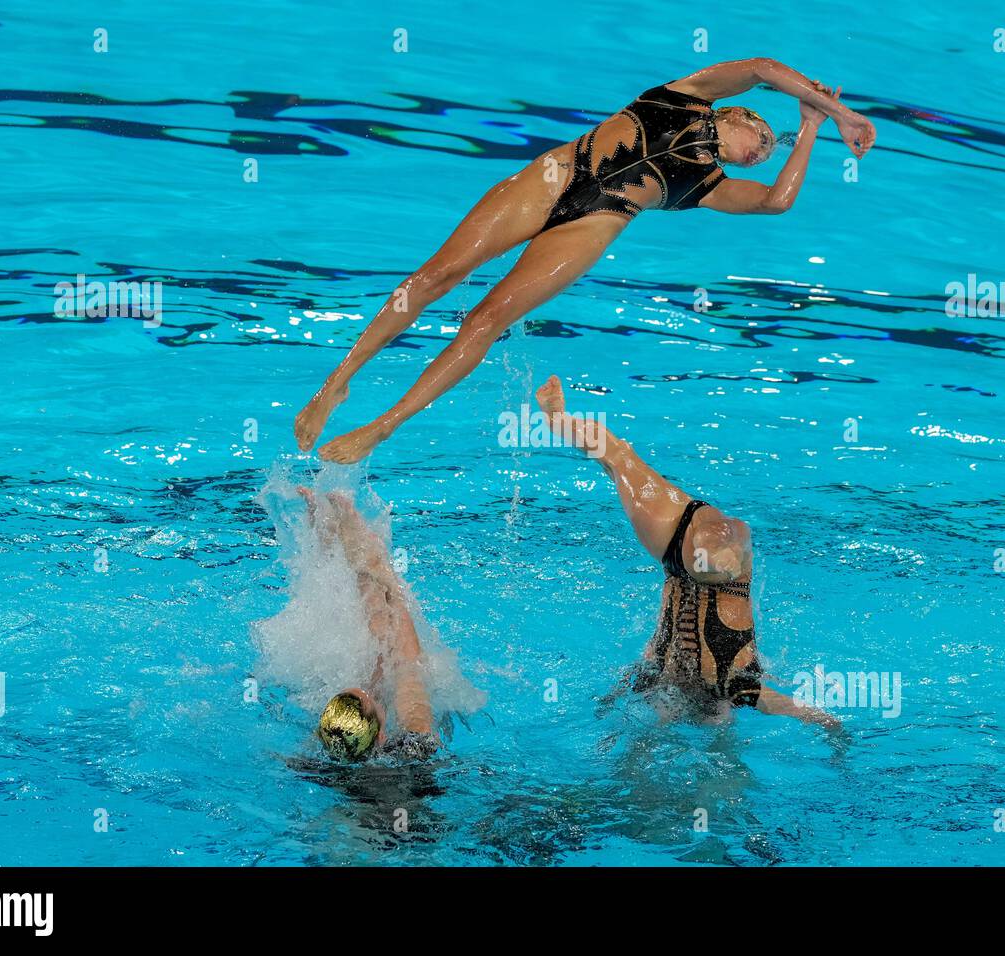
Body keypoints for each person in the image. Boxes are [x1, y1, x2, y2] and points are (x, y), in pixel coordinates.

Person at [295, 59, 876, 462]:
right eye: (763, 138)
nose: (762, 152)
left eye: (765, 155)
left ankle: (380, 427)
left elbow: (776, 201)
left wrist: (808, 130)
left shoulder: (709, 185)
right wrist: (831, 106)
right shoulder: (686, 95)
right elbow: (760, 68)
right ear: (736, 116)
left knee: (487, 319)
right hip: (558, 174)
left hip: (598, 220)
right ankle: (336, 384)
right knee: (436, 275)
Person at [533, 374, 842, 732]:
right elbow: (812, 715)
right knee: (620, 461)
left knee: (621, 461)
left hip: (691, 547)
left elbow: (809, 713)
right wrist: (834, 731)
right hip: (687, 549)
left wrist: (832, 729)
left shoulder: (685, 681)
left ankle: (558, 419)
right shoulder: (719, 685)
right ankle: (558, 419)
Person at [296, 487, 440, 762]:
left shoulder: (317, 765)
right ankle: (361, 555)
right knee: (408, 676)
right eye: (371, 699)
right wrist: (379, 569)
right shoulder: (415, 752)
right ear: (381, 738)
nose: (371, 692)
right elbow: (406, 663)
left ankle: (332, 544)